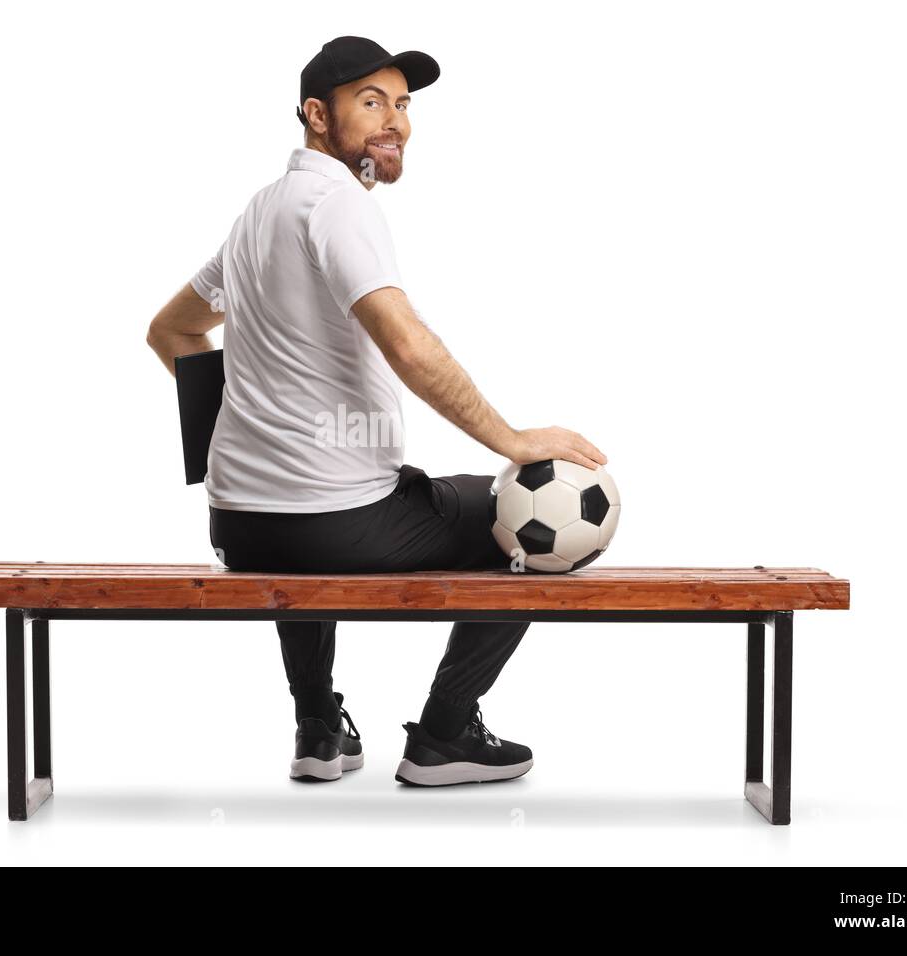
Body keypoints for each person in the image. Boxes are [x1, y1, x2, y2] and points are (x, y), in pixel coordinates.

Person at [146, 36, 607, 787]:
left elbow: (172, 330)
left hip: (240, 524)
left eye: (403, 105)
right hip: (334, 524)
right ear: (316, 115)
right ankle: (445, 735)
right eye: (372, 103)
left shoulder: (258, 213)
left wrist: (240, 437)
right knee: (515, 523)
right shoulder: (336, 205)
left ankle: (318, 729)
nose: (396, 121)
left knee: (322, 501)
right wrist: (515, 440)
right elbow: (408, 345)